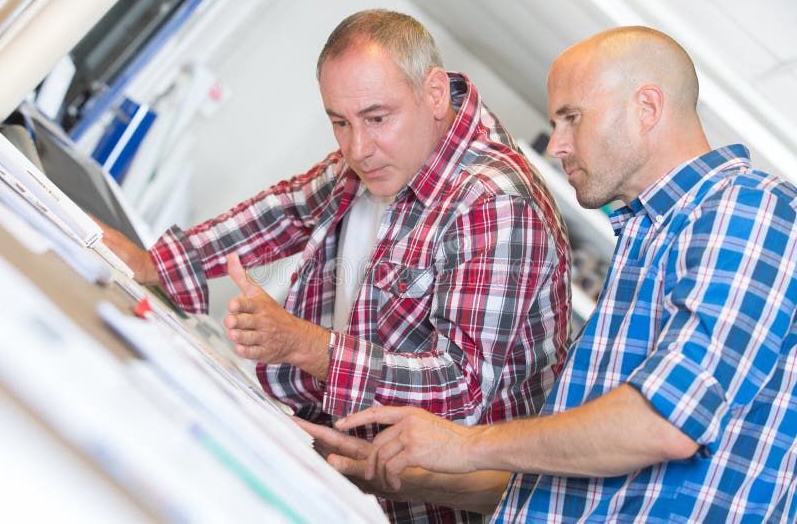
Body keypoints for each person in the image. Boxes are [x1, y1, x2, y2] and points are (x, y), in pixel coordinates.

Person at [306, 26, 797, 523]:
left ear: (647, 107)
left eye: (572, 117)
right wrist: (392, 471)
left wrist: (466, 444)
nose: (558, 145)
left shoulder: (750, 208)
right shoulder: (650, 240)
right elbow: (566, 488)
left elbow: (663, 421)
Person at [101, 9, 571, 523]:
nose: (357, 148)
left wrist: (303, 345)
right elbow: (289, 210)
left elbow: (461, 388)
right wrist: (157, 264)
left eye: (376, 118)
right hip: (334, 468)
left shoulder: (496, 204)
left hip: (420, 510)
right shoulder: (386, 155)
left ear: (435, 93)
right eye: (340, 122)